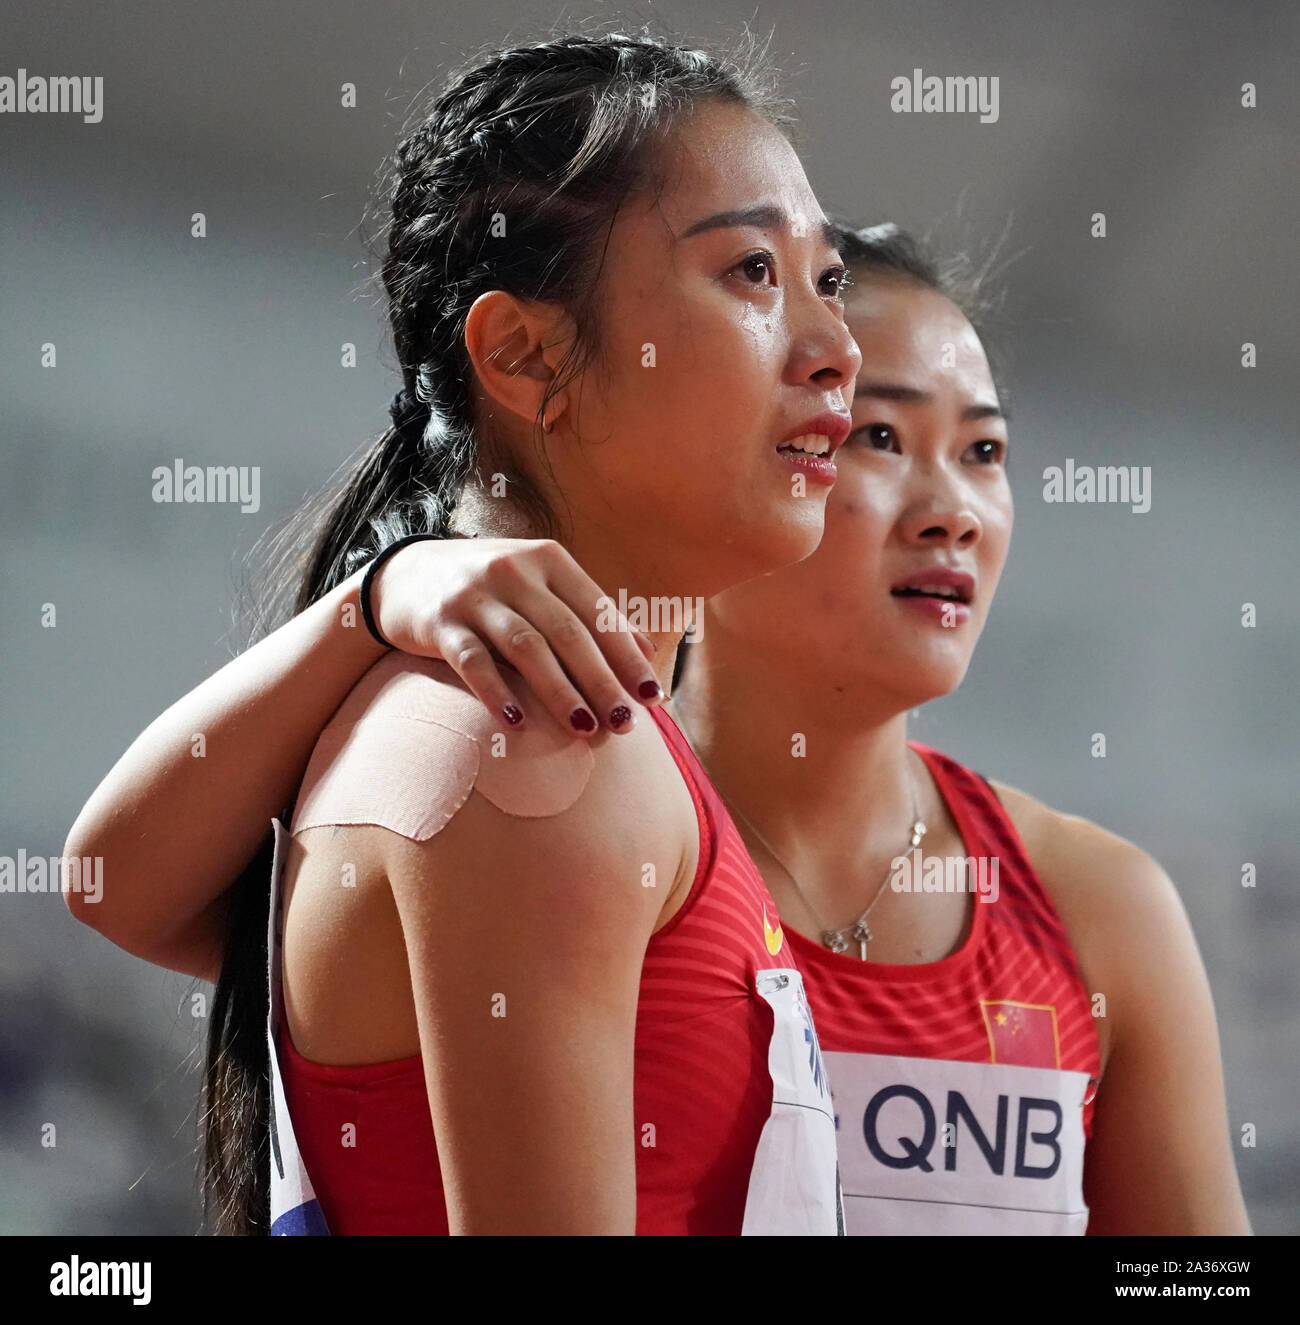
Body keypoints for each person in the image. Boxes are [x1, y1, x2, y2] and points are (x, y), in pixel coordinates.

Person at [67, 215, 1252, 1234]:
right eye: (879, 438)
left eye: (985, 451)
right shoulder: (561, 804)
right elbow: (122, 881)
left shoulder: (1097, 908)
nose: (953, 510)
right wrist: (377, 597)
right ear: (775, 458)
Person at [66, 29, 865, 1236]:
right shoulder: (525, 741)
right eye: (752, 271)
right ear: (524, 354)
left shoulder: (554, 735)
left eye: (828, 280)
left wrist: (376, 598)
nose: (835, 353)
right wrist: (379, 596)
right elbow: (111, 880)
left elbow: (116, 882)